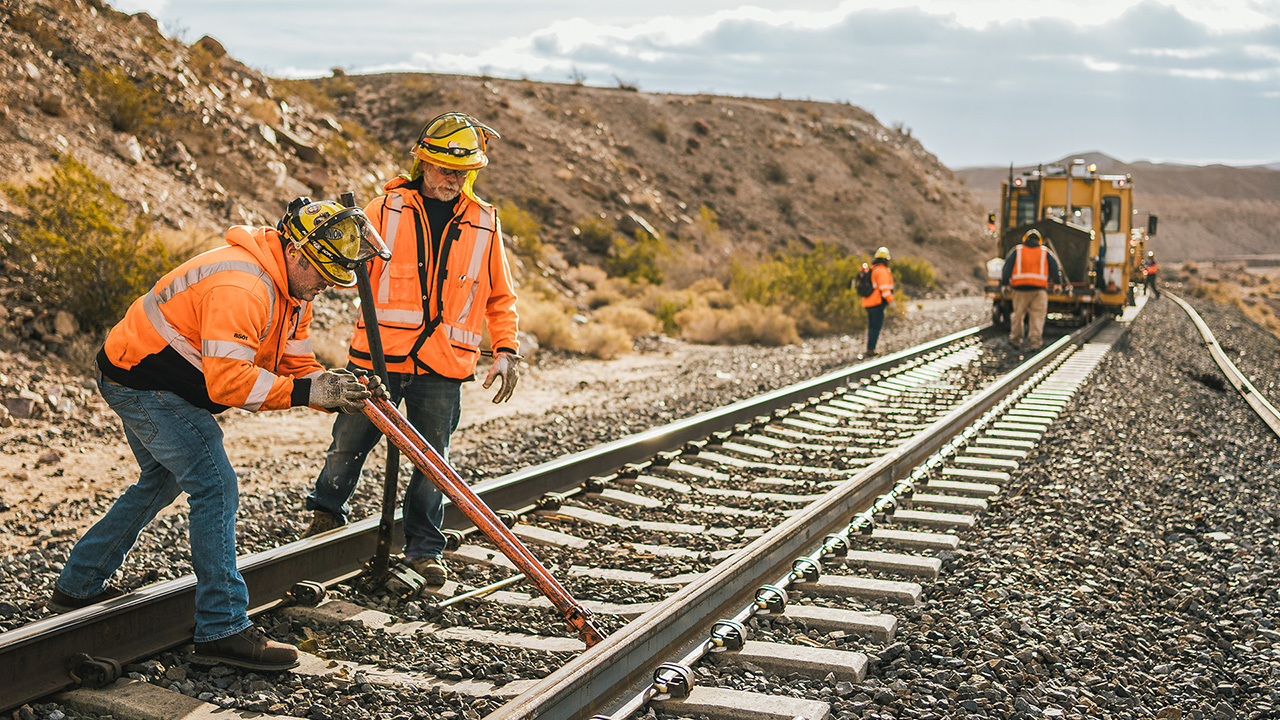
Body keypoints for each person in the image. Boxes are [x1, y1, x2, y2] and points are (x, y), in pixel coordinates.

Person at [49, 198, 388, 671]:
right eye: (322, 274)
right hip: (145, 383)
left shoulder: (294, 290)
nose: (326, 286)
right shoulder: (245, 286)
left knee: (163, 481)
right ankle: (222, 627)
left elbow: (295, 366)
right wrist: (311, 393)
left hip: (156, 377)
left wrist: (333, 385)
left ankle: (77, 585)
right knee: (214, 485)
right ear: (295, 250)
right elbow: (229, 382)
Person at [302, 112, 520, 587]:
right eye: (445, 169)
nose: (454, 179)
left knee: (432, 461)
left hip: (443, 365)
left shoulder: (485, 221)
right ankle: (324, 515)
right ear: (423, 162)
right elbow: (343, 271)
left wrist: (506, 348)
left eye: (463, 172)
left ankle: (423, 549)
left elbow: (498, 295)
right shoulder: (384, 210)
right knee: (348, 443)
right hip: (375, 359)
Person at [1000, 228, 1065, 351]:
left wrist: (1004, 284)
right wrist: (1057, 284)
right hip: (1039, 291)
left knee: (1018, 316)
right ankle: (1034, 343)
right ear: (1039, 241)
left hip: (1019, 290)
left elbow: (1007, 267)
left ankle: (1015, 340)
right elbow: (1054, 267)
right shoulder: (1045, 251)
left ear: (1025, 239)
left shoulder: (1017, 250)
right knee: (1037, 317)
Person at [860, 246, 894, 357]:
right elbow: (884, 289)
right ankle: (871, 349)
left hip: (868, 303)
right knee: (875, 327)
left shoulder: (873, 269)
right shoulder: (882, 271)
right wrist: (891, 301)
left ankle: (870, 347)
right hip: (877, 303)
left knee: (871, 327)